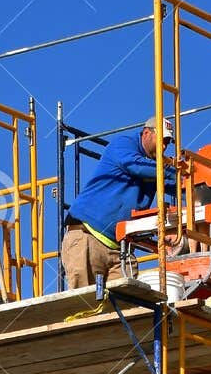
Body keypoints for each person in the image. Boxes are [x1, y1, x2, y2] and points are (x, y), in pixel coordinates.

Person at [61, 114, 176, 289]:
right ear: (146, 133)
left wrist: (201, 180)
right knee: (83, 307)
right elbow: (134, 165)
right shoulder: (123, 144)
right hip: (88, 237)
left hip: (120, 250)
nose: (164, 146)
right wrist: (174, 172)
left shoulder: (155, 168)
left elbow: (180, 185)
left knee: (127, 307)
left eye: (167, 142)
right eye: (161, 139)